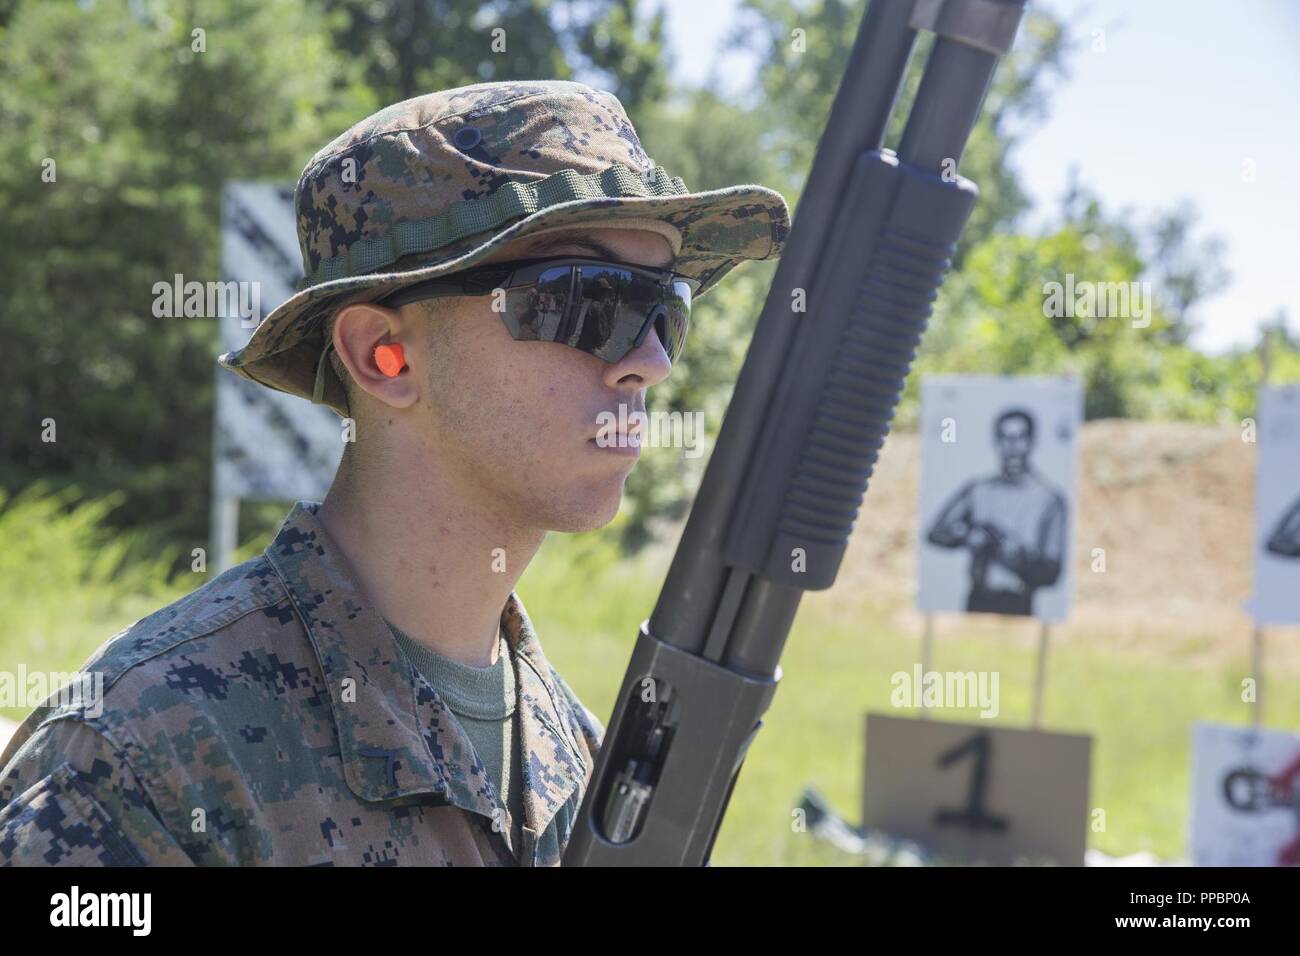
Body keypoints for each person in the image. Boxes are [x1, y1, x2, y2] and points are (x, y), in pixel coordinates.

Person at [0, 80, 790, 865]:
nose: (651, 362)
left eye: (667, 308)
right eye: (590, 300)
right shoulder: (147, 758)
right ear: (384, 354)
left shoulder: (583, 765)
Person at [926, 408, 1066, 616]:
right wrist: (967, 536)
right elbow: (937, 532)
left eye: (1020, 438)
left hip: (1019, 602)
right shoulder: (979, 490)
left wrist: (1018, 559)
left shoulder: (1048, 500)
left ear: (1031, 441)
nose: (1013, 447)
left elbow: (1052, 571)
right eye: (1005, 438)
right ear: (997, 442)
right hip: (978, 598)